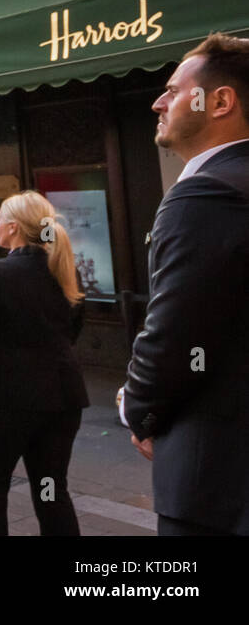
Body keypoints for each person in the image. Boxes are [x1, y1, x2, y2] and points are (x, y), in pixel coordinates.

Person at [124, 32, 249, 536]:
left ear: (220, 101)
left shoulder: (203, 193)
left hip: (215, 482)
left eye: (173, 91)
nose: (158, 101)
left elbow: (174, 335)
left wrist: (138, 408)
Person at [0, 191, 88, 536]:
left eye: (0, 218)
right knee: (51, 489)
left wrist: (0, 356)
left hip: (6, 399)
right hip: (62, 397)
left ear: (14, 228)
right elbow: (73, 329)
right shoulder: (63, 269)